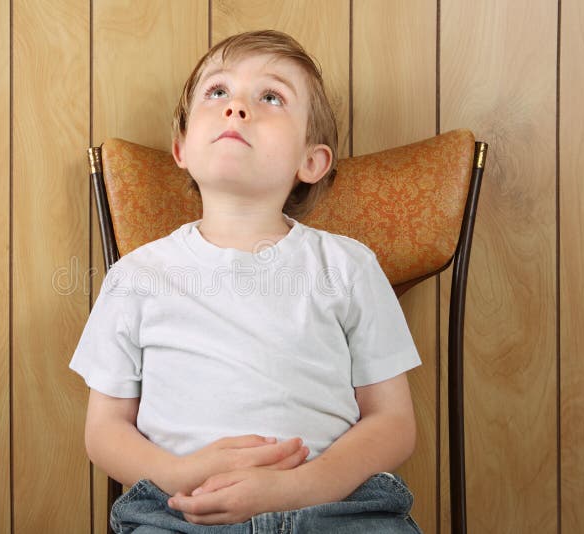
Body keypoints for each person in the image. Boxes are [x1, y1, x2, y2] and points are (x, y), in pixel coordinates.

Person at [70, 30, 423, 533]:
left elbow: (393, 424)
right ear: (181, 148)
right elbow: (104, 432)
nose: (236, 107)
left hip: (336, 510)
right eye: (217, 92)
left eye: (271, 96)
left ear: (311, 161)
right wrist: (181, 474)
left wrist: (300, 486)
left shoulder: (348, 267)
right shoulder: (136, 278)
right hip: (181, 514)